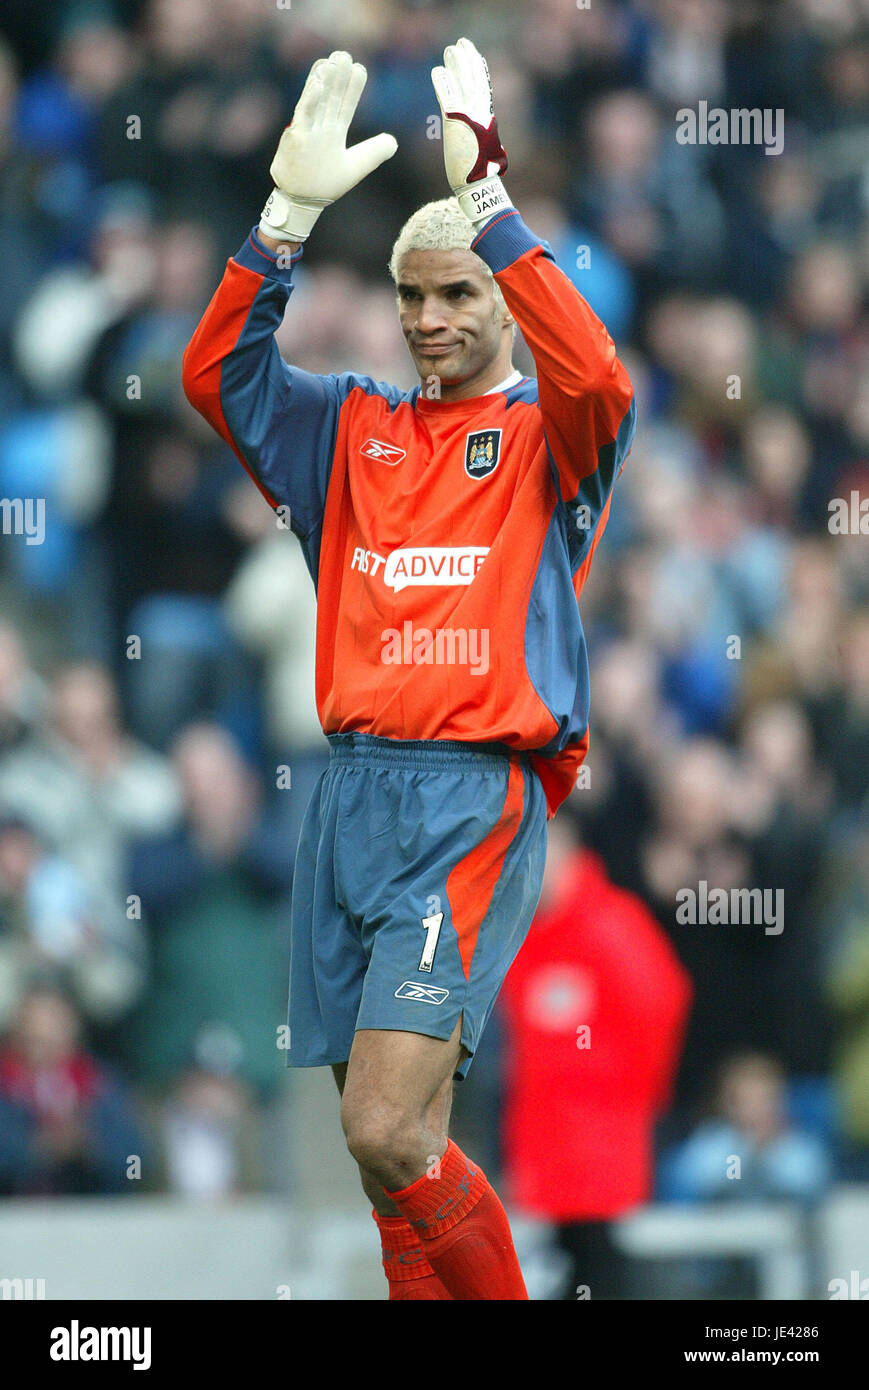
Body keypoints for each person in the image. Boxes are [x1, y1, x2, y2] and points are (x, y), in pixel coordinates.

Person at [183, 39, 635, 1300]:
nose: (432, 320)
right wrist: (282, 222)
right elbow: (212, 375)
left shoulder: (549, 439)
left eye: (459, 297)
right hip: (349, 794)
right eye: (414, 298)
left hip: (464, 797)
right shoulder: (346, 428)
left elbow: (599, 370)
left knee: (388, 1130)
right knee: (392, 1158)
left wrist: (489, 204)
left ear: (498, 302)